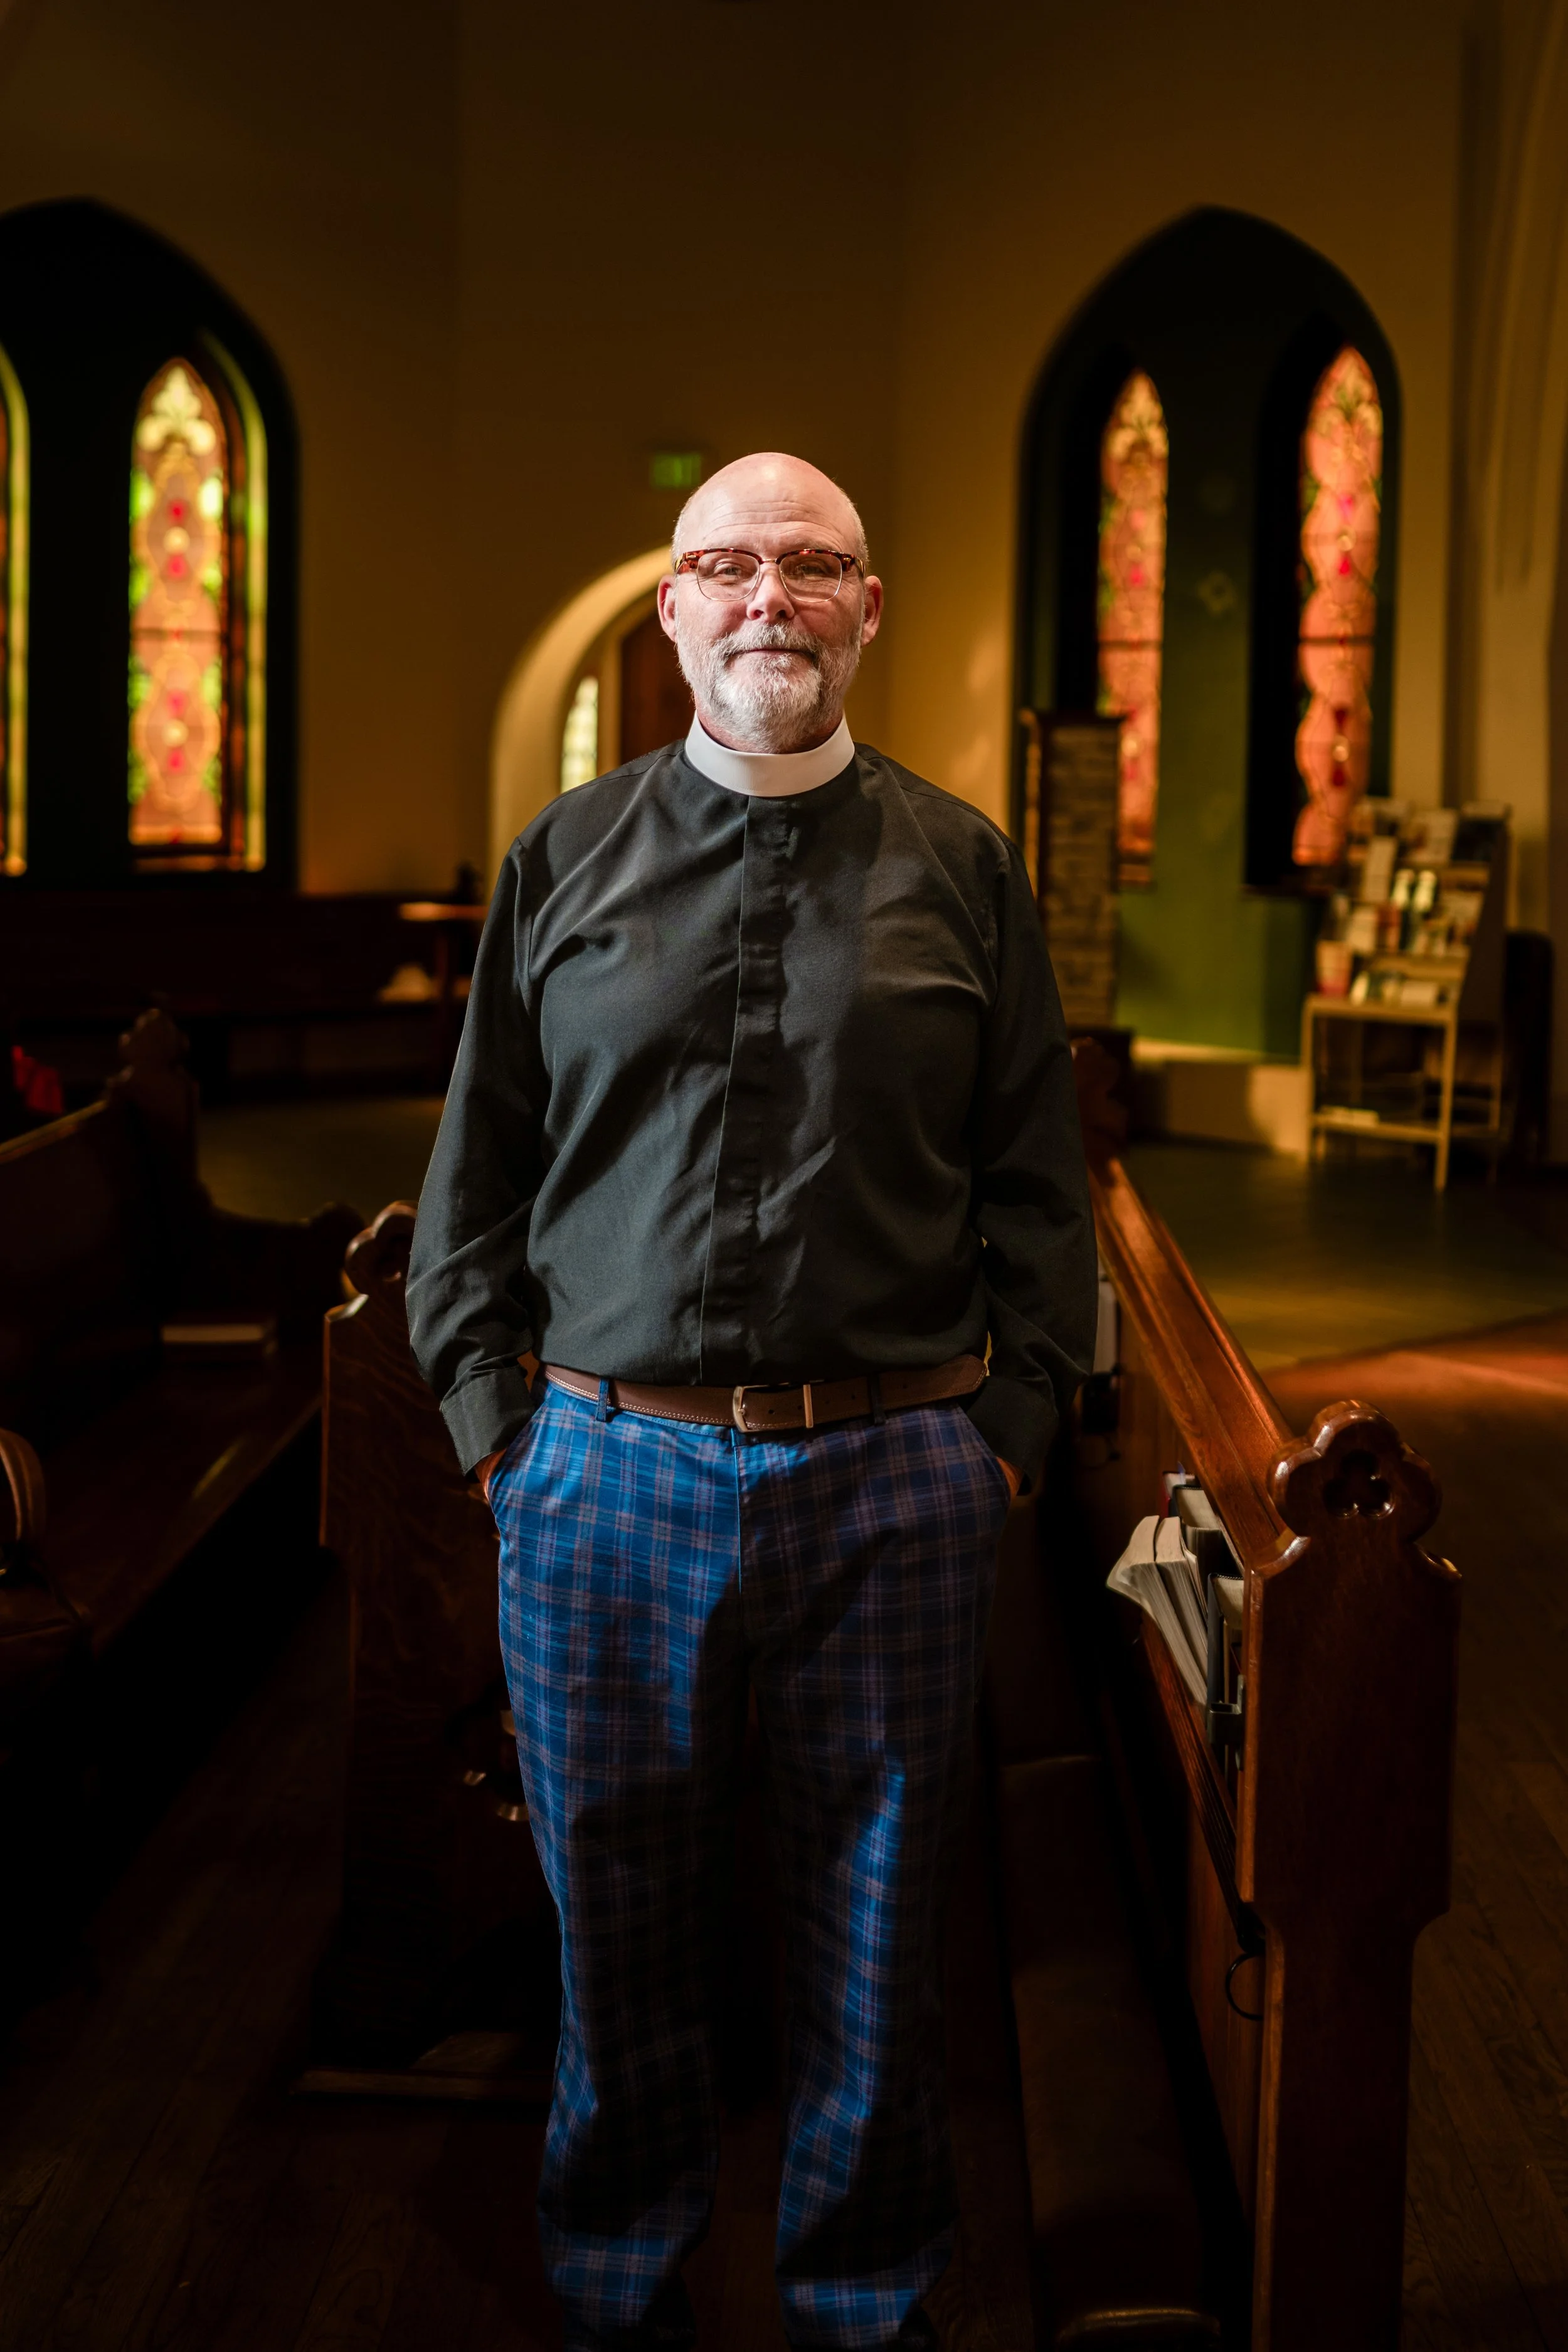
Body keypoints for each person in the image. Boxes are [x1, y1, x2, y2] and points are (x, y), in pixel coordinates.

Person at [407, 452, 1096, 2351]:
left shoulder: (961, 864)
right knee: (611, 1919)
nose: (767, 597)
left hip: (895, 1477)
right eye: (726, 565)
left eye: (809, 565)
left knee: (877, 1939)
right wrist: (501, 1433)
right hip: (599, 1471)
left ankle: (860, 2298)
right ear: (674, 614)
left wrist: (1007, 1441)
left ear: (866, 606)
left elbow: (1042, 1186)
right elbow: (472, 1185)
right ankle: (617, 2279)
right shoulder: (563, 857)